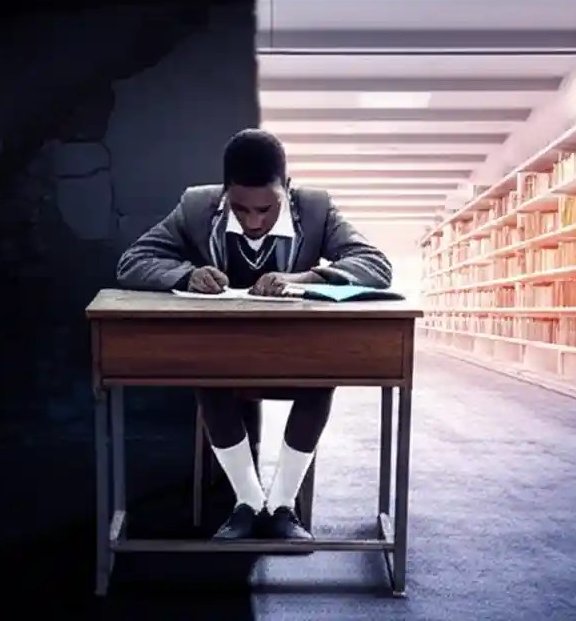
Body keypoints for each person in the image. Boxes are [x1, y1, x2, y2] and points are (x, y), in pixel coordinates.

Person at [114, 128, 392, 541]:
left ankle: (282, 506)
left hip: (297, 355)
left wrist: (304, 278)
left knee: (322, 380)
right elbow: (132, 261)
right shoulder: (196, 205)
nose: (253, 222)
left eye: (266, 209)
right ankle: (248, 503)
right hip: (222, 357)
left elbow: (376, 266)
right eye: (240, 209)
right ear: (224, 193)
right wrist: (187, 274)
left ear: (288, 190)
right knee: (207, 378)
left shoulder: (316, 207)